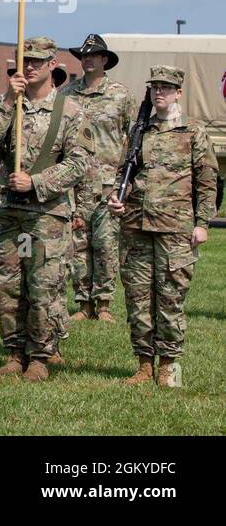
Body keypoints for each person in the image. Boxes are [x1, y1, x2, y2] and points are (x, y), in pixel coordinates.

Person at [0, 37, 93, 383]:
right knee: (8, 283)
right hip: (8, 210)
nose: (28, 67)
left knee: (44, 284)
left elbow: (80, 161)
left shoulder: (70, 111)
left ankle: (41, 355)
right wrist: (9, 101)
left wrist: (38, 182)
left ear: (51, 65)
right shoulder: (5, 103)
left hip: (47, 213)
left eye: (36, 62)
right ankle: (14, 352)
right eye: (24, 61)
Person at [108, 66, 217, 386]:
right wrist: (118, 196)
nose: (160, 93)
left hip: (176, 229)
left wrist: (202, 224)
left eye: (166, 88)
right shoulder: (139, 130)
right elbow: (122, 173)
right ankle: (143, 364)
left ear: (178, 93)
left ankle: (168, 364)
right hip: (136, 226)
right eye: (155, 87)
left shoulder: (192, 131)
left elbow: (207, 183)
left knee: (170, 299)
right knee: (138, 300)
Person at [60, 34, 137, 322]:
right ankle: (83, 303)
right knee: (78, 243)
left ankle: (103, 302)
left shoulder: (121, 95)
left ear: (105, 59)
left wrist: (127, 180)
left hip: (109, 182)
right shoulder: (66, 95)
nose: (87, 59)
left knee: (105, 243)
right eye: (83, 55)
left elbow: (133, 137)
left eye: (94, 55)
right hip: (76, 182)